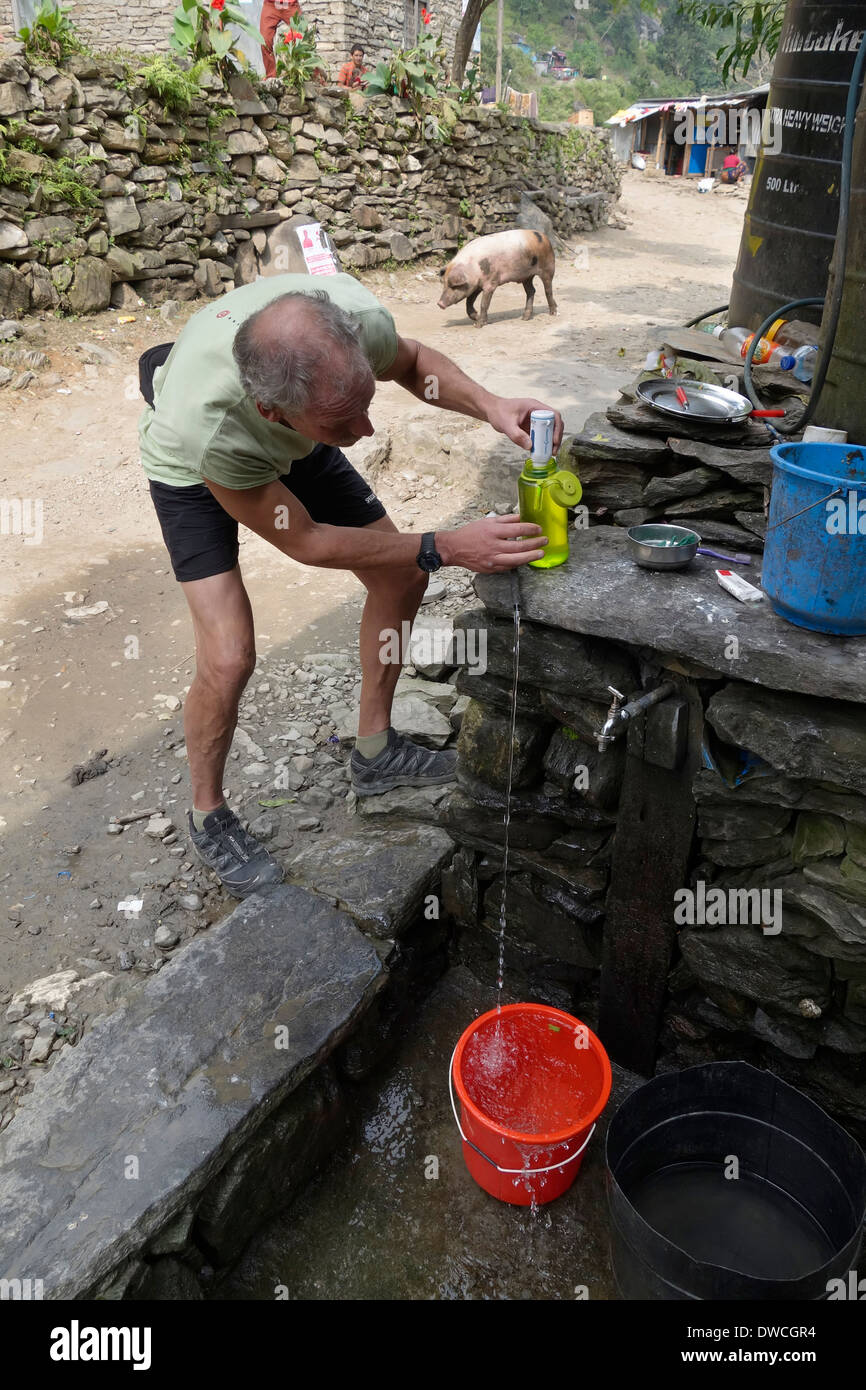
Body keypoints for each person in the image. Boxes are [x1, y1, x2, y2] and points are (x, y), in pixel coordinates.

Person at [138, 275, 561, 898]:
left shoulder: (351, 320)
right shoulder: (212, 427)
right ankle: (208, 813)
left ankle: (374, 750)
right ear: (271, 411)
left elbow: (415, 362)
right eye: (348, 419)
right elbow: (304, 540)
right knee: (229, 656)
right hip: (198, 470)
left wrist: (490, 404)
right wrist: (443, 544)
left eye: (366, 403)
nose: (366, 431)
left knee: (403, 572)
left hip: (301, 430)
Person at [259, 0, 302, 81]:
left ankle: (308, 74)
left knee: (302, 37)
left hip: (290, 4)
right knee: (264, 40)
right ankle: (271, 77)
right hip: (271, 4)